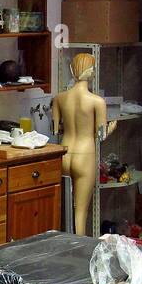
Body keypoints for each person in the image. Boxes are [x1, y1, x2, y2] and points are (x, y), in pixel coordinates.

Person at [49, 52, 114, 235]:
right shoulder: (97, 102)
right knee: (80, 212)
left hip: (65, 152)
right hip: (85, 155)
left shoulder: (59, 98)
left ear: (71, 70)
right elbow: (100, 135)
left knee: (62, 209)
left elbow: (55, 130)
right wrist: (112, 127)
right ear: (92, 72)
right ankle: (79, 250)